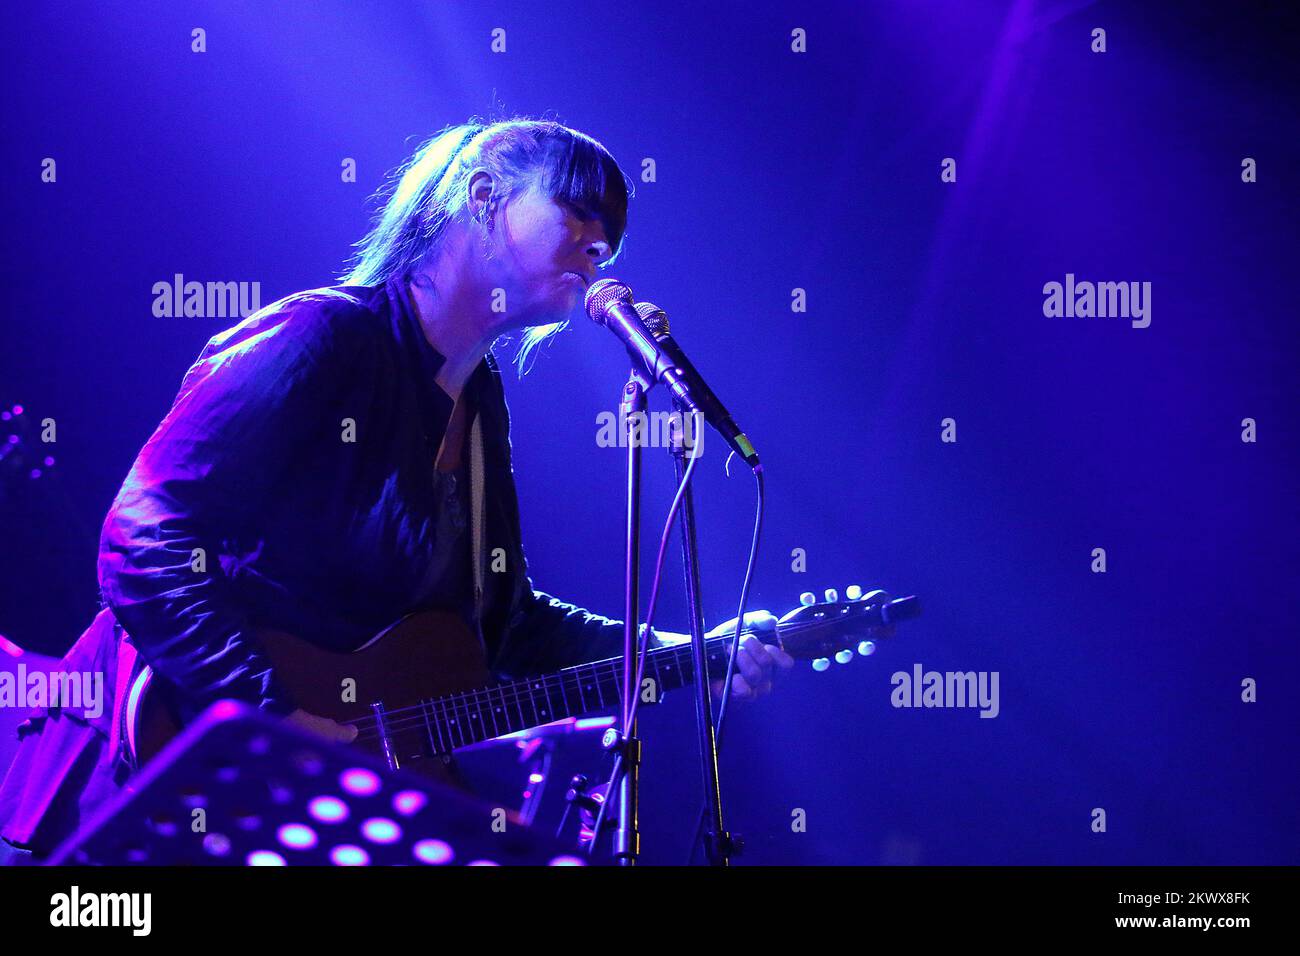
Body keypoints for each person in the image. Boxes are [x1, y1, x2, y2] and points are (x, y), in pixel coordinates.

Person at [0, 118, 791, 861]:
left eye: (609, 241)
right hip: (142, 767)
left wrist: (690, 654)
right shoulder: (320, 339)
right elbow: (146, 538)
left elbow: (504, 628)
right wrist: (271, 715)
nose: (599, 248)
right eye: (580, 214)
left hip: (304, 810)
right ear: (483, 198)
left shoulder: (480, 405)